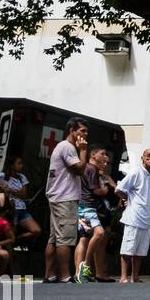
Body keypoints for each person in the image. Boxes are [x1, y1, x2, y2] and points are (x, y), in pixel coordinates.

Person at [44, 117, 89, 283]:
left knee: (54, 238)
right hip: (65, 199)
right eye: (82, 131)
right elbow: (79, 169)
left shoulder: (63, 147)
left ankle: (49, 274)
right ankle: (64, 276)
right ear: (72, 130)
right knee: (65, 238)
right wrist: (83, 150)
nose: (85, 135)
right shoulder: (68, 147)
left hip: (58, 197)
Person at [74, 145, 116, 283]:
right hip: (86, 207)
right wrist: (104, 189)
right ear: (93, 155)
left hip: (85, 206)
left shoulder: (89, 168)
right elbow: (97, 191)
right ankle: (84, 267)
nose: (106, 157)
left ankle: (80, 272)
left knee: (84, 238)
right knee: (98, 234)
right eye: (103, 153)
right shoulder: (91, 169)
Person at [116, 148, 150, 283]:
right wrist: (128, 199)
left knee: (140, 251)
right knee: (128, 249)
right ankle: (123, 277)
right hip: (134, 217)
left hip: (146, 219)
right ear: (142, 157)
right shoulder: (135, 171)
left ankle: (135, 277)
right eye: (148, 156)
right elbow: (119, 189)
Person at [1, 155, 42, 248]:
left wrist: (11, 190)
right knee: (10, 234)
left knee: (36, 230)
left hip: (22, 209)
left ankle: (17, 240)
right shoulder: (1, 176)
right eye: (19, 163)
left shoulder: (22, 177)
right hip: (10, 210)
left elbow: (24, 195)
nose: (21, 166)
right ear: (12, 165)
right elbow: (0, 191)